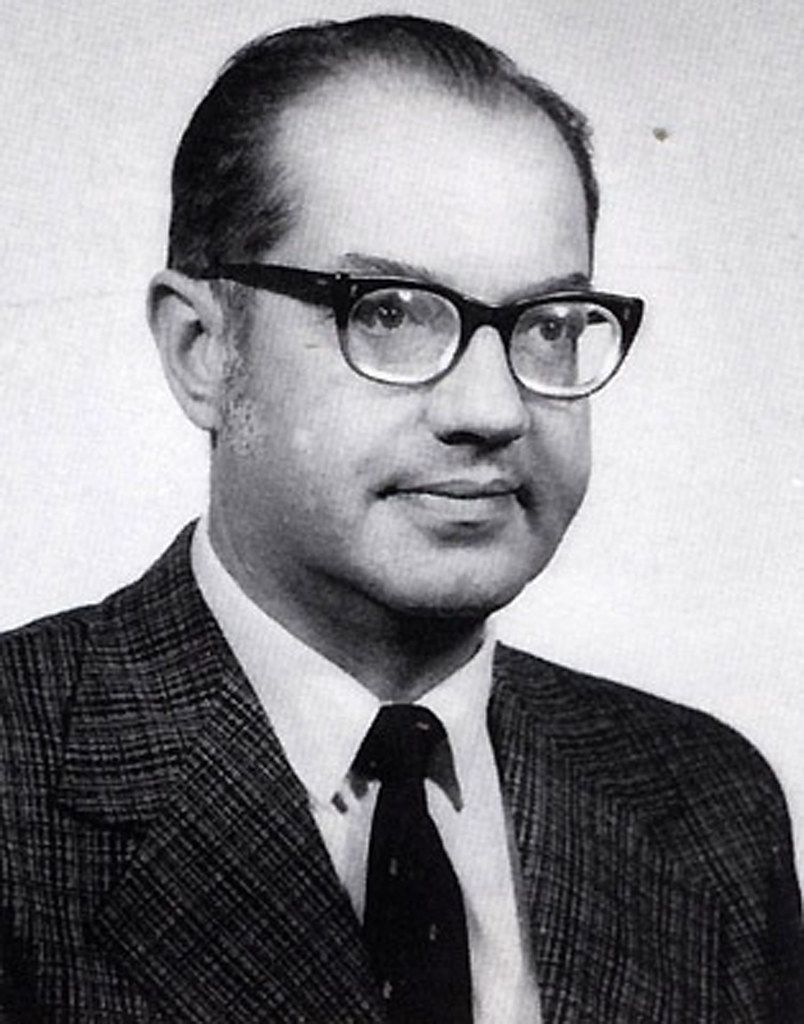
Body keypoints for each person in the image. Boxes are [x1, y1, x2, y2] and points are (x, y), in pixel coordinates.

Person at [0, 13, 801, 1024]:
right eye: (388, 310)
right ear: (203, 349)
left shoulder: (710, 805)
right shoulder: (16, 779)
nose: (493, 409)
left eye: (549, 326)